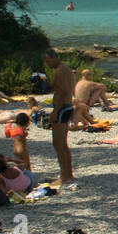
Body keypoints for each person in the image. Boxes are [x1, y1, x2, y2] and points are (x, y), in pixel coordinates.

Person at [44, 49, 77, 190]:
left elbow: (63, 92)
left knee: (58, 143)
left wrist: (55, 111)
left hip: (62, 107)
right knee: (63, 143)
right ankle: (68, 175)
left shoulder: (60, 70)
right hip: (67, 106)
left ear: (55, 57)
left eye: (48, 60)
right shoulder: (66, 70)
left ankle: (64, 177)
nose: (47, 63)